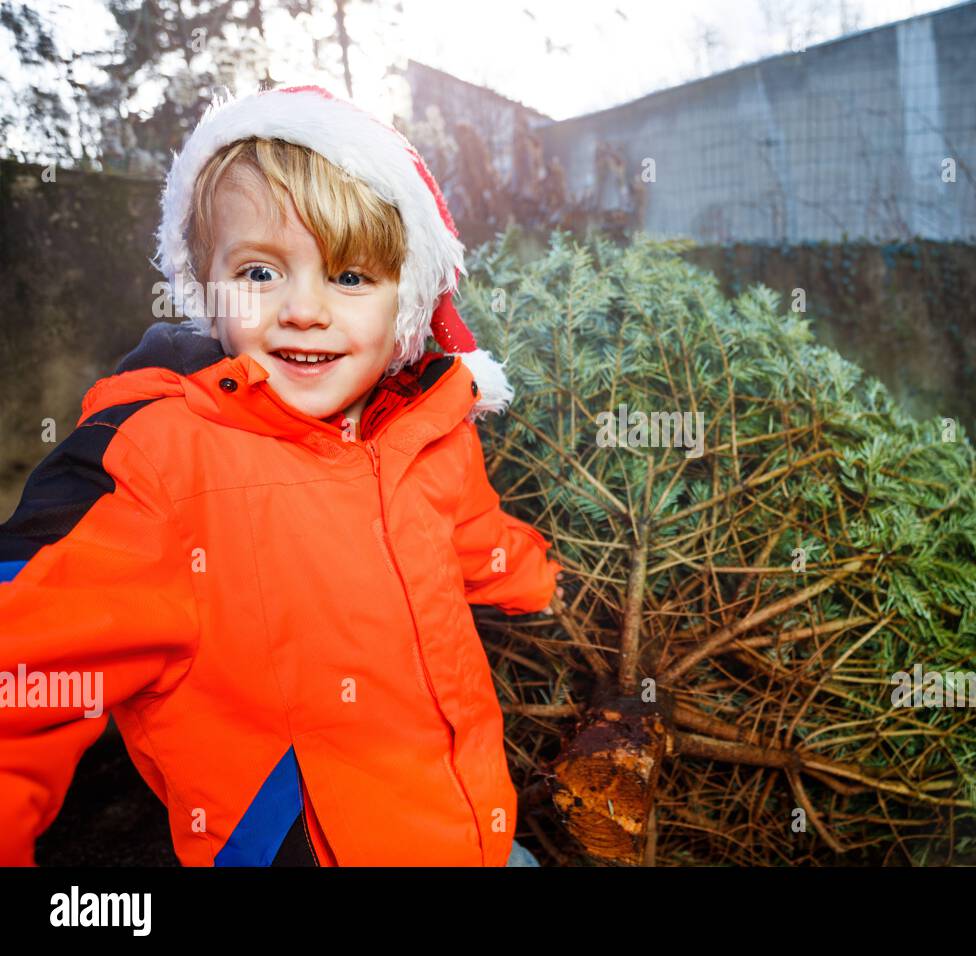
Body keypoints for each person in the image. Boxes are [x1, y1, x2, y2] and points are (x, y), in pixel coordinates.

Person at [0, 84, 563, 867]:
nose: (304, 309)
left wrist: (547, 581)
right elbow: (22, 672)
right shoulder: (160, 462)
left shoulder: (425, 431)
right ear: (206, 282)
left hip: (473, 828)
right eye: (261, 273)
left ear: (406, 300)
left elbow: (470, 538)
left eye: (352, 277)